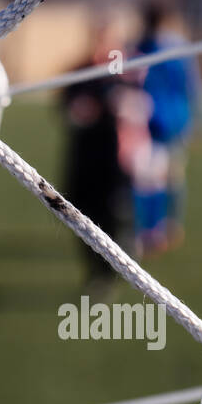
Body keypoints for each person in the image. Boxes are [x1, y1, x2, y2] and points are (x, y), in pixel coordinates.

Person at [61, 14, 148, 291]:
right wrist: (80, 112)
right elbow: (67, 110)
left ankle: (108, 270)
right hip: (84, 157)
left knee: (111, 213)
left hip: (115, 158)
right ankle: (95, 267)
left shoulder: (128, 72)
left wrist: (128, 106)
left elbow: (144, 106)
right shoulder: (81, 71)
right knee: (77, 213)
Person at [132, 2, 202, 255]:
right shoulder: (141, 47)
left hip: (163, 121)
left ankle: (160, 227)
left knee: (160, 175)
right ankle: (157, 227)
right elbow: (192, 88)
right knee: (155, 176)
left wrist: (196, 121)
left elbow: (190, 86)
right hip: (158, 121)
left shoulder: (168, 49)